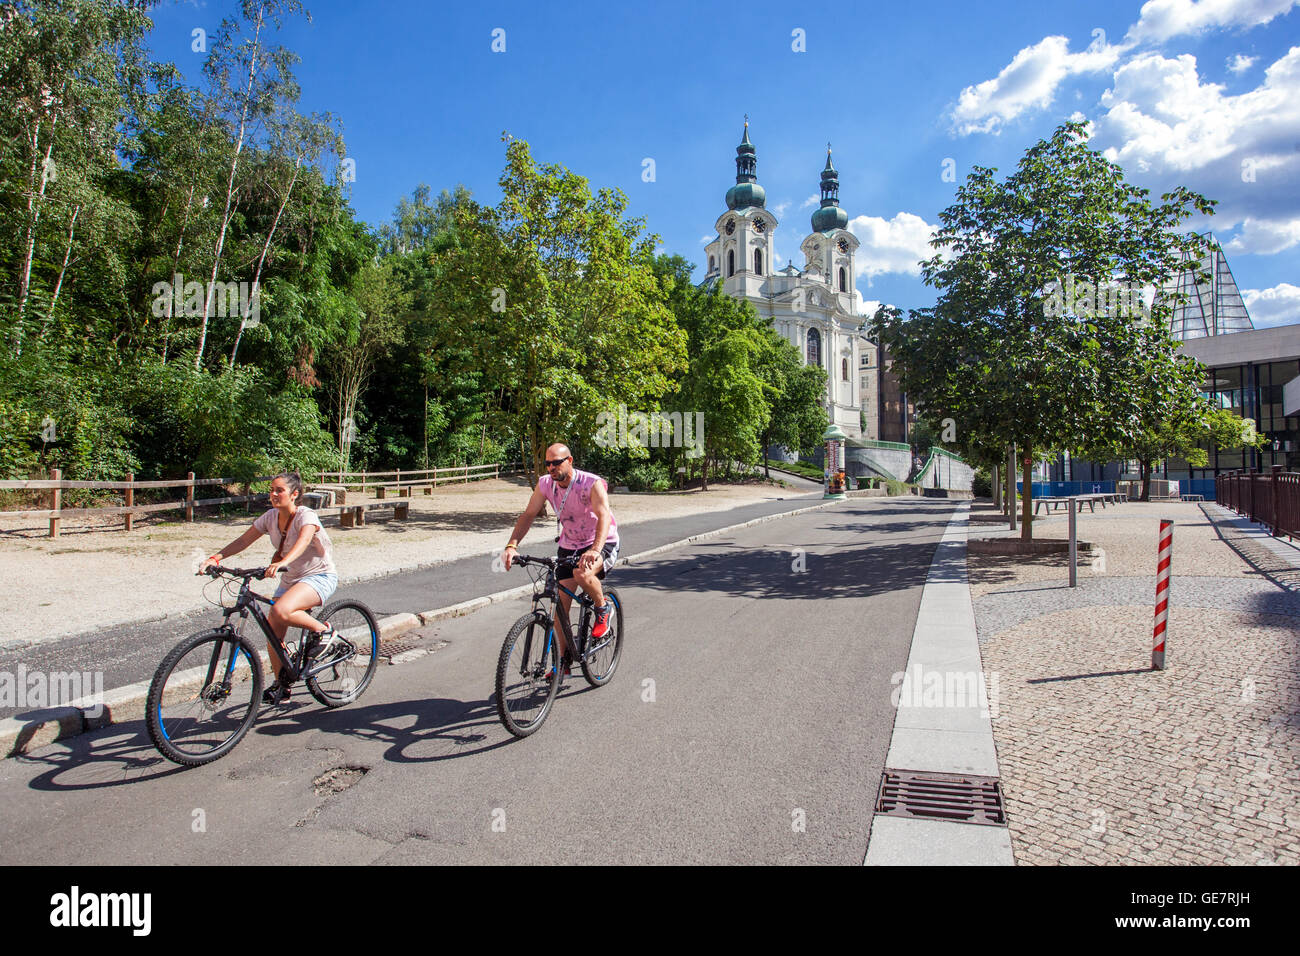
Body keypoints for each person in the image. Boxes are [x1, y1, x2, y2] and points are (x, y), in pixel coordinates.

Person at [198, 471, 339, 704]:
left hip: (319, 576)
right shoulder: (270, 517)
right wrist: (216, 558)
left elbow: (304, 540)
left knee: (280, 611)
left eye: (279, 490)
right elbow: (244, 540)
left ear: (294, 495)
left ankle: (323, 631)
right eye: (271, 490)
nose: (273, 494)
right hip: (290, 580)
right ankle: (282, 684)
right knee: (273, 635)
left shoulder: (306, 515)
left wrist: (283, 561)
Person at [502, 444, 619, 678]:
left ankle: (602, 607)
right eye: (548, 464)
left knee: (583, 574)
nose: (552, 468)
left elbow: (604, 515)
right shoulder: (545, 484)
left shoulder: (590, 482)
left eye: (556, 462)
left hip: (600, 541)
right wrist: (512, 545)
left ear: (570, 460)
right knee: (560, 607)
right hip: (569, 544)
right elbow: (528, 514)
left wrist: (595, 551)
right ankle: (562, 664)